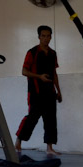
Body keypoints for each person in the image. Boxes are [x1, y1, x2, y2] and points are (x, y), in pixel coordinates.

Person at [16, 25, 62, 155]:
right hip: (35, 91)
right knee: (32, 118)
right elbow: (24, 71)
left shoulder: (53, 54)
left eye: (48, 36)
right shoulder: (32, 52)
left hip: (50, 92)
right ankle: (19, 140)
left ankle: (49, 148)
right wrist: (39, 77)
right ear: (39, 37)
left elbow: (54, 73)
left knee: (51, 120)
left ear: (51, 37)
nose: (46, 38)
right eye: (43, 36)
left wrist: (58, 91)